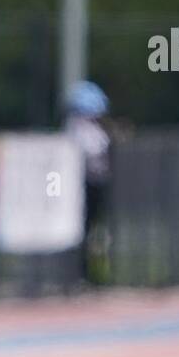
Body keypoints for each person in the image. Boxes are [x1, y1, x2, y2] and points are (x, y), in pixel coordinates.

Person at [64, 80, 112, 283]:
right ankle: (80, 274)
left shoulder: (83, 130)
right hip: (81, 188)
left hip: (91, 187)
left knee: (89, 233)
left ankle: (87, 273)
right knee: (80, 232)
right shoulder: (80, 130)